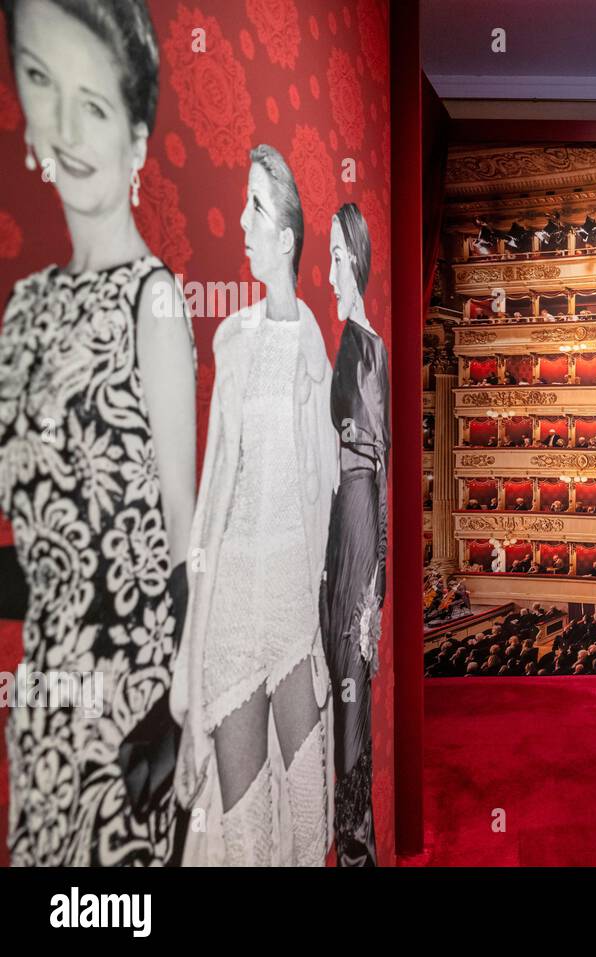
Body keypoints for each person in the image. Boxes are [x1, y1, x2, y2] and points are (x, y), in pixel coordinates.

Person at [0, 0, 194, 866]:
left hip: (130, 705)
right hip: (45, 695)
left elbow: (184, 537)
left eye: (97, 104)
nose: (66, 128)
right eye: (42, 81)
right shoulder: (23, 310)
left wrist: (175, 712)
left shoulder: (152, 304)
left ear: (138, 138)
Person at [172, 144, 336, 866]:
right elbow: (213, 501)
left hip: (293, 611)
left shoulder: (313, 348)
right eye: (244, 204)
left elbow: (325, 499)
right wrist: (191, 653)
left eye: (257, 208)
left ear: (286, 238)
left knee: (307, 822)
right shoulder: (230, 341)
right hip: (236, 603)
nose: (243, 221)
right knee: (241, 834)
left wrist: (327, 636)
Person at [320, 205, 388, 867]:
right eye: (329, 253)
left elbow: (377, 460)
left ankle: (358, 850)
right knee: (344, 691)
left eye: (340, 255)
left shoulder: (362, 345)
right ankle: (353, 844)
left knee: (351, 690)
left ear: (359, 260)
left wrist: (376, 574)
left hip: (356, 527)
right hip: (343, 528)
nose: (330, 268)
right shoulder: (349, 341)